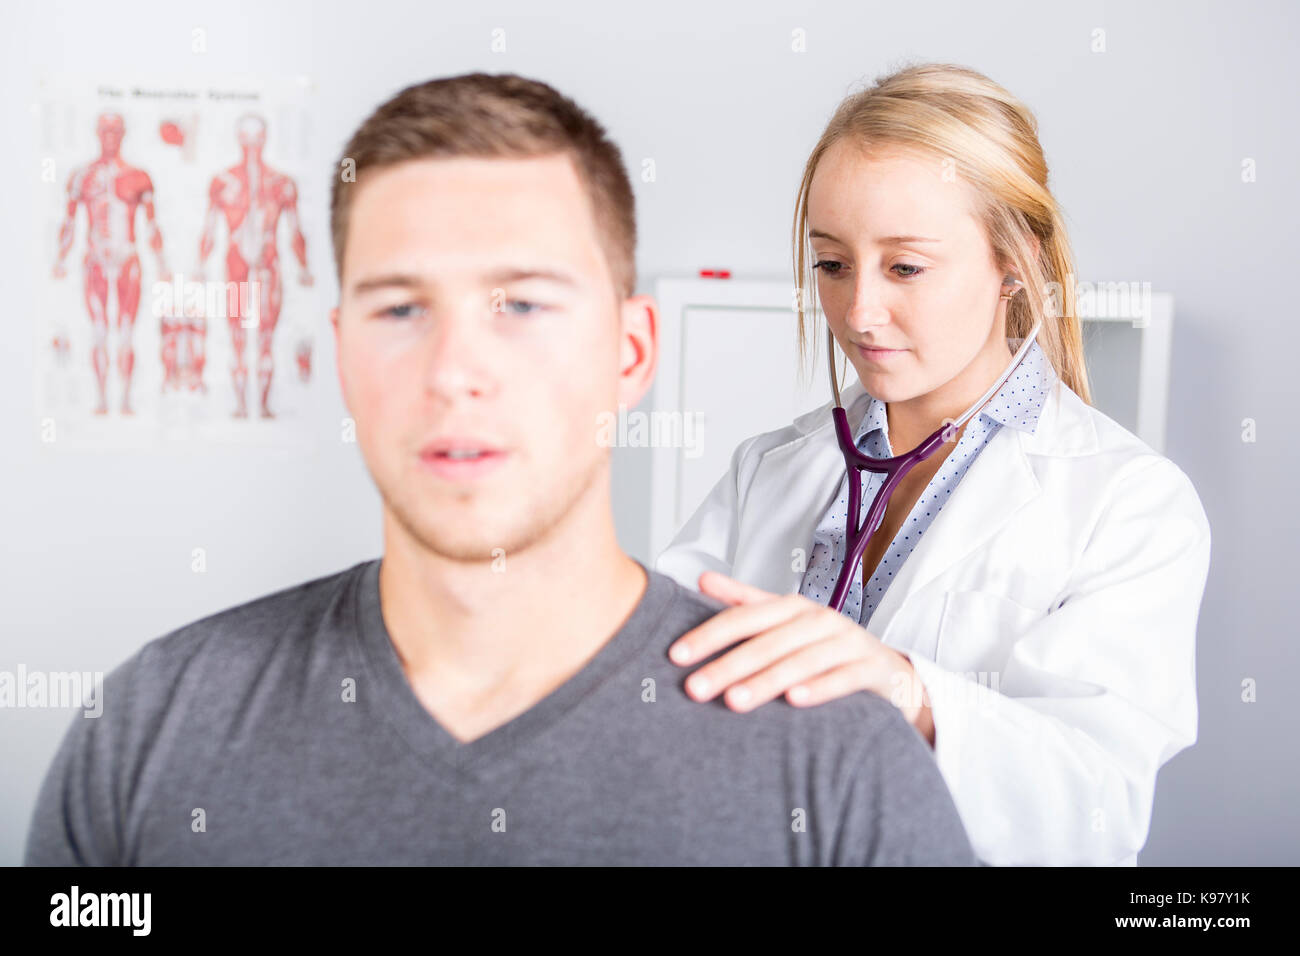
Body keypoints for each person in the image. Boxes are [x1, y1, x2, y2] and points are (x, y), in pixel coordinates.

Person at [25, 72, 976, 867]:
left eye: (520, 305)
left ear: (631, 353)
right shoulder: (148, 735)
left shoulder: (840, 770)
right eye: (400, 310)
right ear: (342, 355)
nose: (455, 373)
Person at [655, 62, 1212, 866]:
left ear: (1014, 261)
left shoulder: (1129, 503)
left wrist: (906, 691)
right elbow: (665, 688)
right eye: (833, 263)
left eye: (906, 267)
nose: (859, 311)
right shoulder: (770, 471)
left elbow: (1096, 810)